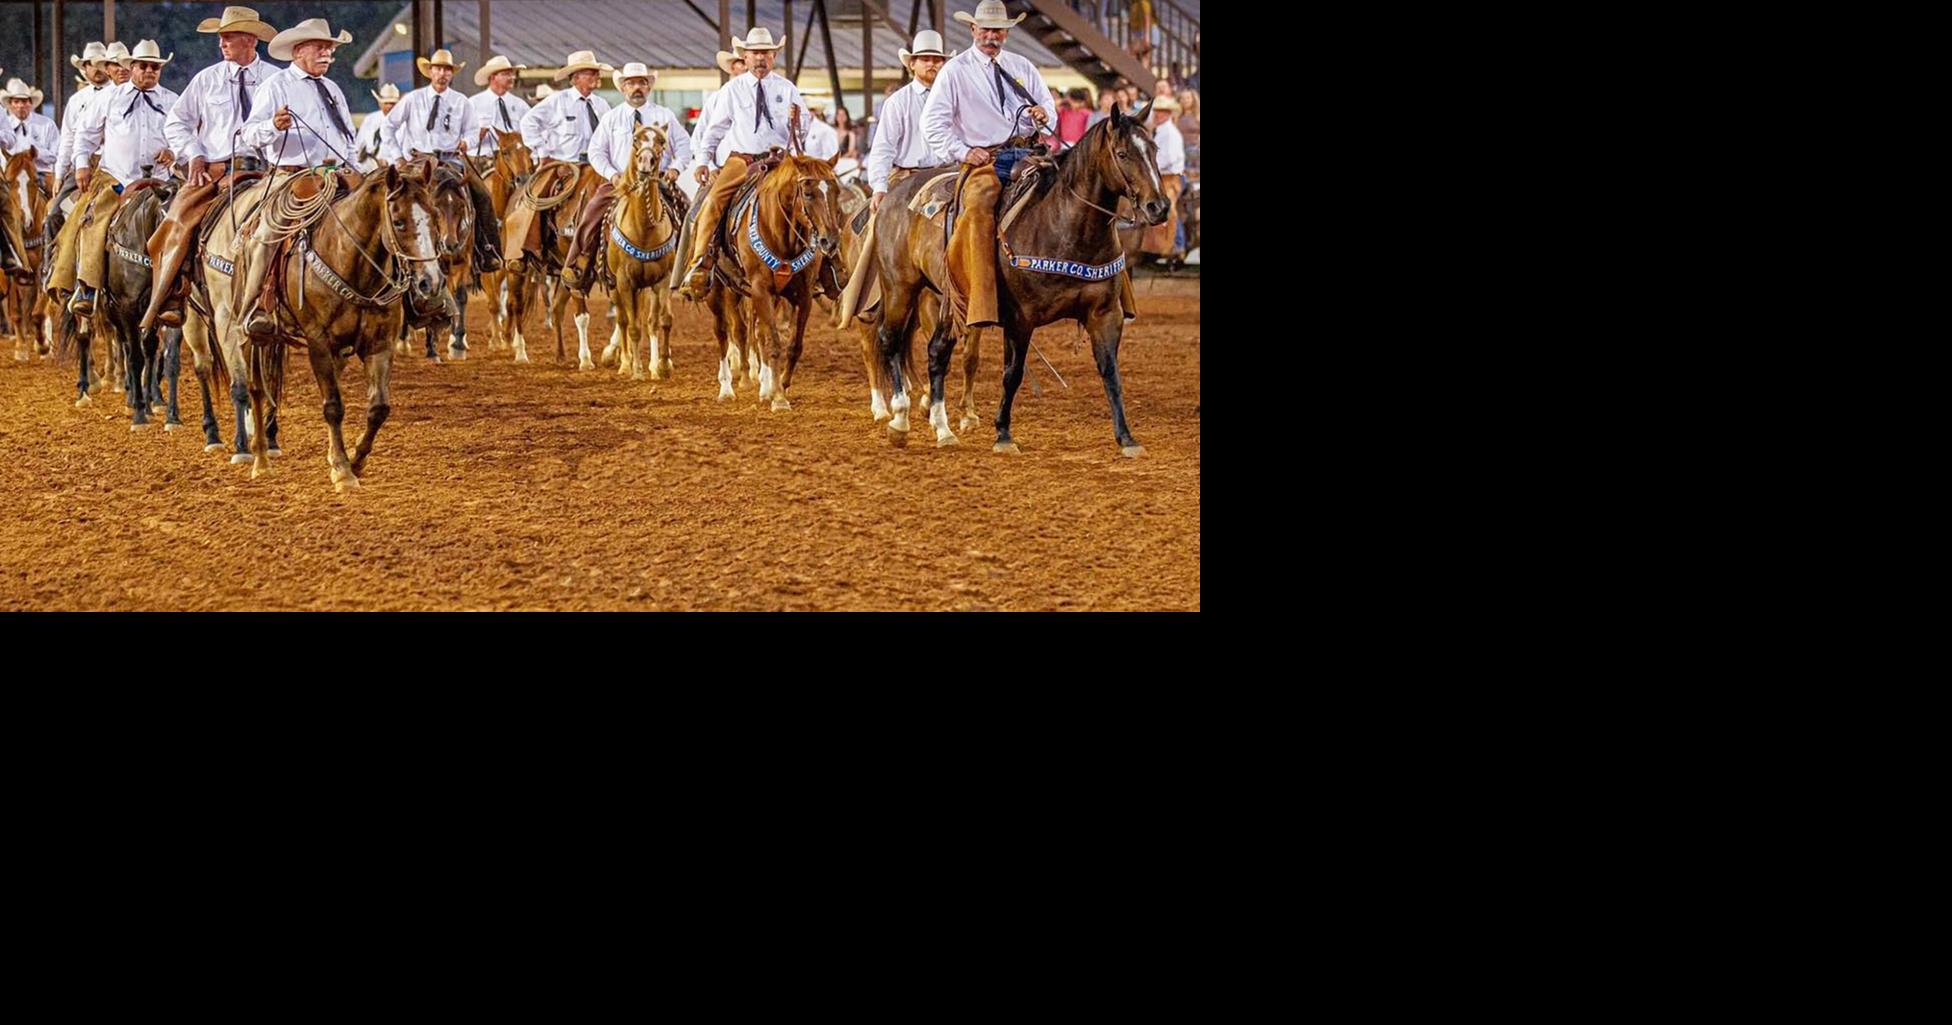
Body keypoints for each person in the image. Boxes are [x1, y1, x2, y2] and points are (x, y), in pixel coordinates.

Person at [918, 0, 1054, 329]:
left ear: (1007, 33)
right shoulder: (955, 71)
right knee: (979, 206)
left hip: (1028, 153)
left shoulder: (1022, 66)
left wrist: (1045, 113)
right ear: (973, 30)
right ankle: (980, 300)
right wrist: (964, 151)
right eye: (986, 29)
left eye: (999, 30)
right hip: (985, 160)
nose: (992, 35)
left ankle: (1096, 287)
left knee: (1076, 189)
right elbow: (932, 123)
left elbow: (1048, 103)